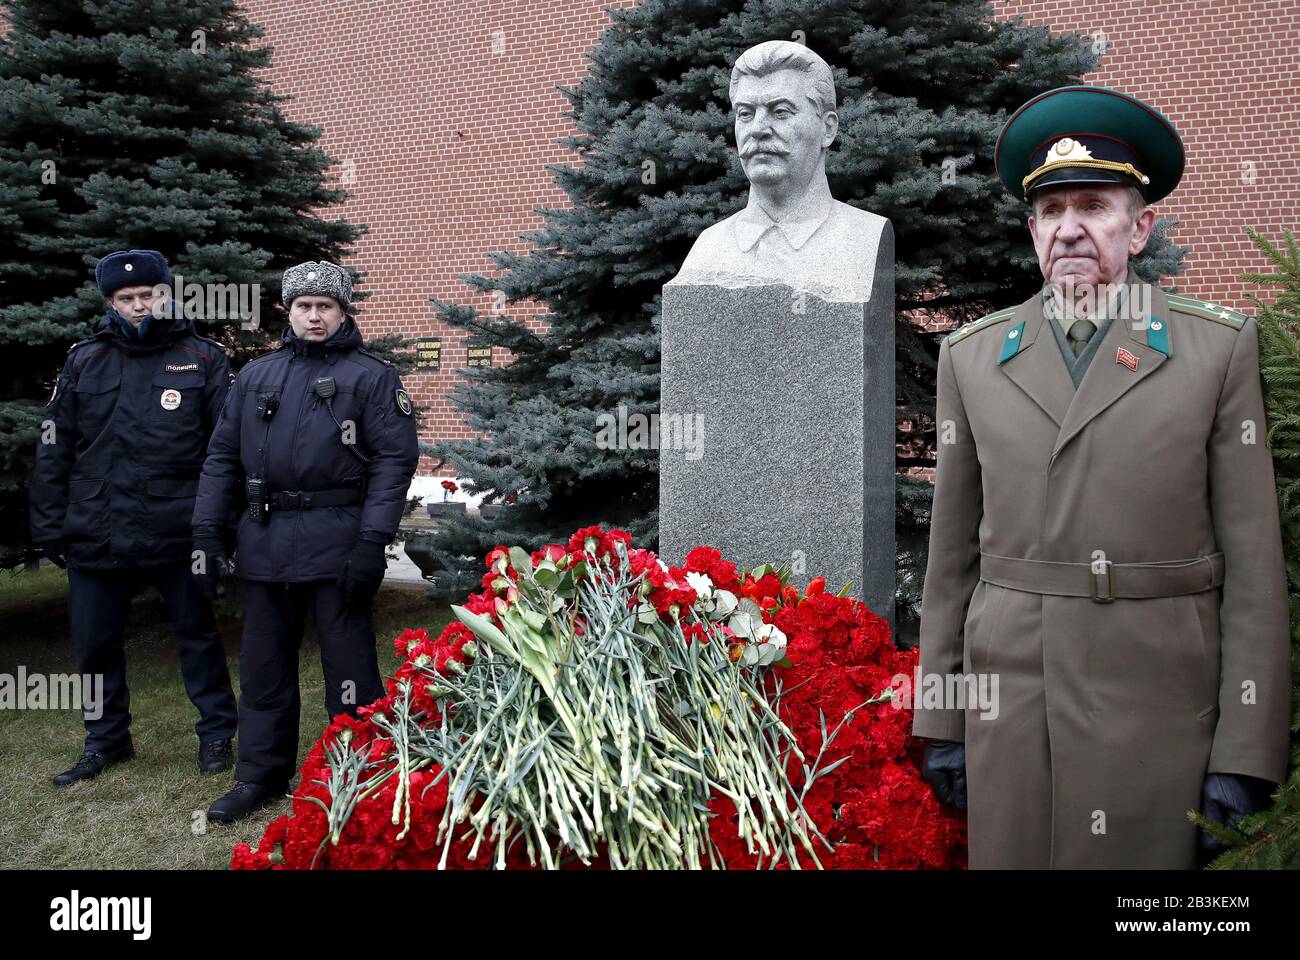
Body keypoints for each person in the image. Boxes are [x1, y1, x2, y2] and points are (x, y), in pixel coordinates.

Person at [912, 86, 1291, 868]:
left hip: (1157, 709)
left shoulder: (1214, 351)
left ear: (1139, 227)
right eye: (1051, 211)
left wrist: (1245, 750)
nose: (1071, 227)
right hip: (1011, 711)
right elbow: (950, 566)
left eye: (1094, 205)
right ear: (1031, 230)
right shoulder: (974, 357)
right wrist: (942, 721)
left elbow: (1254, 568)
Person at [193, 261, 419, 823]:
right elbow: (221, 456)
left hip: (338, 540)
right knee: (265, 668)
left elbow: (394, 462)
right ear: (288, 312)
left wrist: (372, 543)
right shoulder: (256, 376)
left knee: (350, 670)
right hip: (265, 539)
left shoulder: (371, 376)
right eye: (303, 306)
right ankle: (259, 776)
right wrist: (205, 531)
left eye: (325, 306)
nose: (313, 316)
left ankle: (363, 771)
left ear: (342, 312)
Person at [30, 249, 238, 785]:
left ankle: (217, 732)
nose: (140, 306)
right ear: (111, 302)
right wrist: (50, 523)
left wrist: (218, 527)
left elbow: (227, 451)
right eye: (127, 299)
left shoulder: (204, 357)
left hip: (180, 526)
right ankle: (106, 739)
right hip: (96, 526)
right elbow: (55, 446)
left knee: (197, 634)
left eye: (150, 295)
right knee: (95, 641)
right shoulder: (84, 360)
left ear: (167, 294)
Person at [669, 39, 890, 303]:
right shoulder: (706, 251)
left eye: (781, 111)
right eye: (745, 113)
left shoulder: (864, 239)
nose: (758, 129)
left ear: (827, 128)